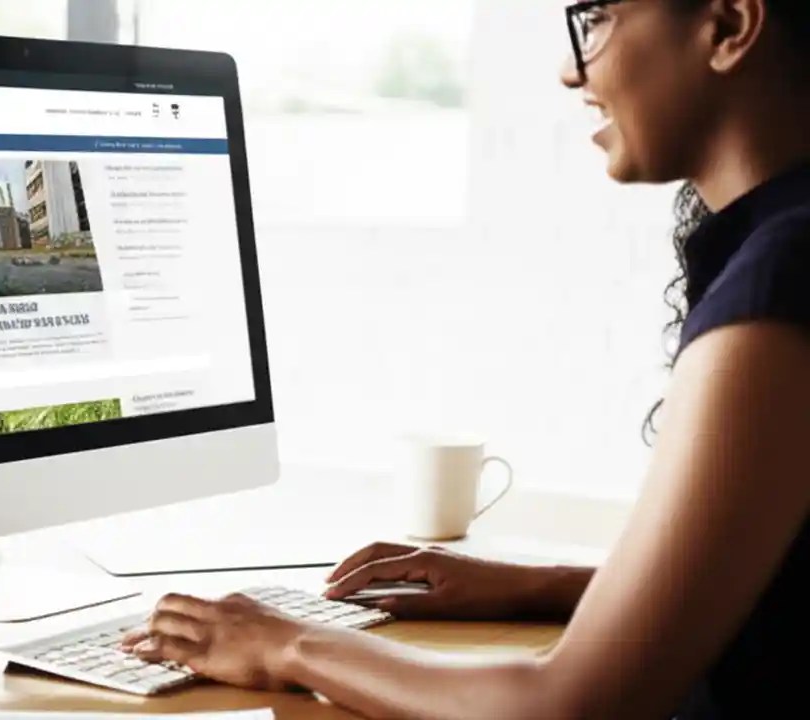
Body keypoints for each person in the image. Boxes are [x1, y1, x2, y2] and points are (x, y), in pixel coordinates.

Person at [122, 1, 810, 717]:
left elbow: (565, 705)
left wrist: (287, 645)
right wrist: (529, 585)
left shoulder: (780, 280)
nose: (571, 69)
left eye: (598, 19)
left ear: (729, 27)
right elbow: (765, 592)